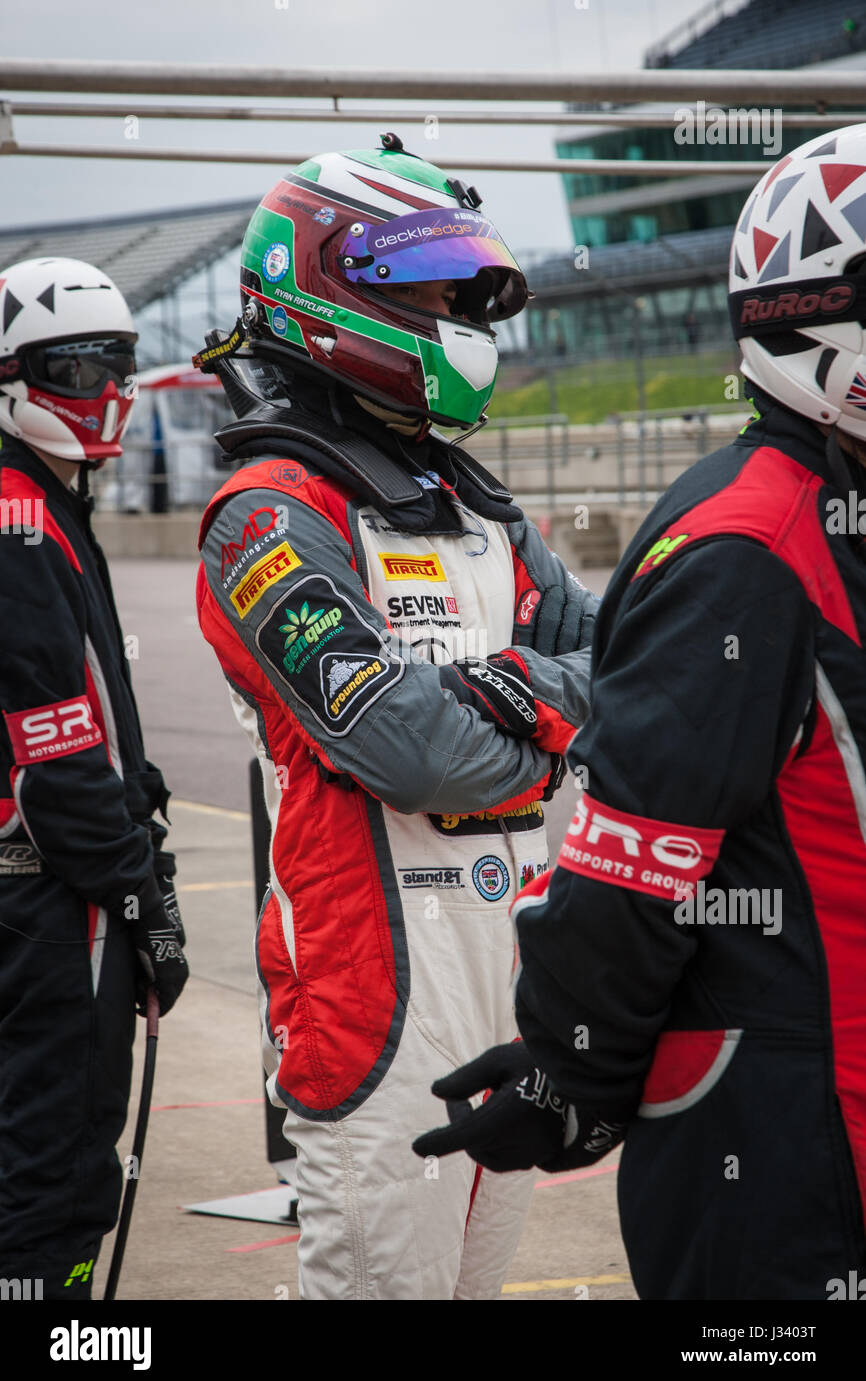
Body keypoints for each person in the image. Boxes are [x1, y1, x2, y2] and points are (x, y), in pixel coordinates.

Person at [415, 124, 866, 1300]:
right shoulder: (746, 545)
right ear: (821, 318)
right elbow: (631, 864)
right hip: (786, 1134)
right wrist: (574, 1067)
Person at [195, 134, 598, 1300]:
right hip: (373, 998)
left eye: (457, 291)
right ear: (324, 290)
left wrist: (523, 695)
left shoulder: (481, 507)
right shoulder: (265, 515)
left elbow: (624, 668)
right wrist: (542, 713)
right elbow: (416, 751)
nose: (451, 312)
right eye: (419, 288)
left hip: (514, 974)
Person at [0, 257, 188, 1300]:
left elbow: (105, 737)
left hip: (40, 887)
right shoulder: (21, 518)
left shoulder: (44, 501)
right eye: (74, 368)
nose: (104, 390)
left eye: (118, 364)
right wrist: (142, 897)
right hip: (47, 897)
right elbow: (64, 767)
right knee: (61, 1162)